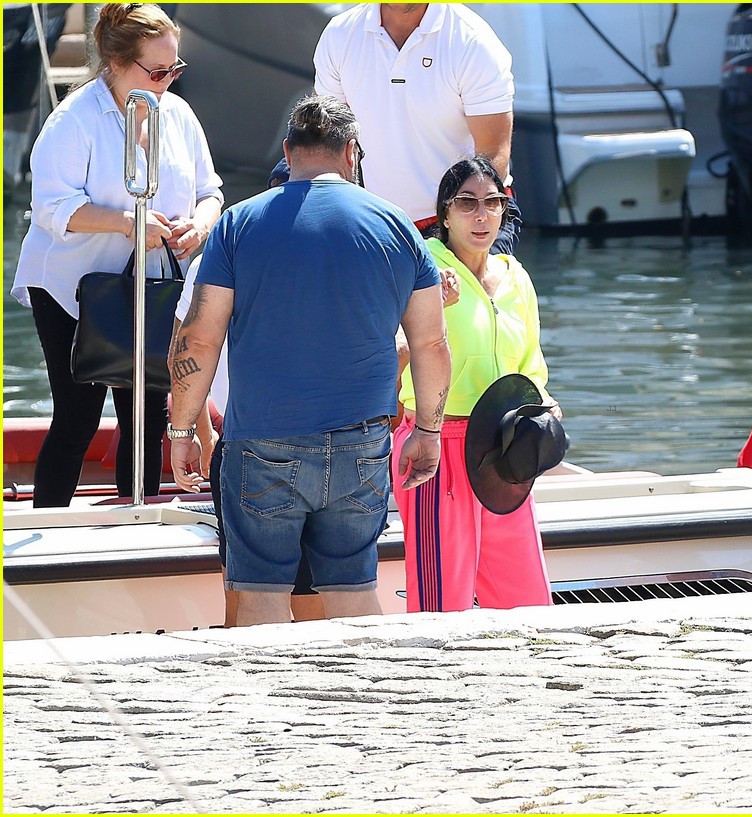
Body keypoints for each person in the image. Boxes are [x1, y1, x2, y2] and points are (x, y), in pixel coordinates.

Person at [168, 95, 451, 627]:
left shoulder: (237, 225)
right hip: (363, 442)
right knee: (354, 589)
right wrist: (429, 431)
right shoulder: (396, 226)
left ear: (287, 152)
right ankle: (369, 699)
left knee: (259, 595)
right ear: (350, 153)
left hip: (262, 442)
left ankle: (268, 705)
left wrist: (182, 428)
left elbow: (198, 341)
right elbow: (431, 344)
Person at [10, 3, 222, 507]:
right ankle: (49, 524)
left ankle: (138, 520)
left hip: (148, 287)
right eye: (158, 70)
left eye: (176, 68)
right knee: (78, 413)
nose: (169, 79)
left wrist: (202, 223)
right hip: (68, 285)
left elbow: (209, 190)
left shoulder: (179, 114)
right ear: (117, 62)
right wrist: (129, 223)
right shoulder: (73, 120)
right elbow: (51, 208)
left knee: (146, 413)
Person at [393, 157, 556, 612]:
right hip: (435, 442)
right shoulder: (421, 265)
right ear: (444, 213)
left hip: (505, 446)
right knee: (440, 601)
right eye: (467, 203)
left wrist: (543, 405)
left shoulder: (515, 277)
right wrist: (431, 310)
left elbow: (531, 362)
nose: (481, 215)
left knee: (527, 602)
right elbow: (386, 351)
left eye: (492, 203)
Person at [168, 159, 324, 628]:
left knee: (248, 588)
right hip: (321, 439)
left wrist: (189, 431)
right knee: (308, 589)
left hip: (244, 439)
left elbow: (187, 351)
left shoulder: (219, 255)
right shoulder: (342, 255)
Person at [312, 3, 522, 254]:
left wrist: (453, 241)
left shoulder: (474, 42)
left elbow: (493, 156)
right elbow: (327, 144)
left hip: (466, 221)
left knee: (468, 294)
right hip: (376, 224)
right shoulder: (339, 35)